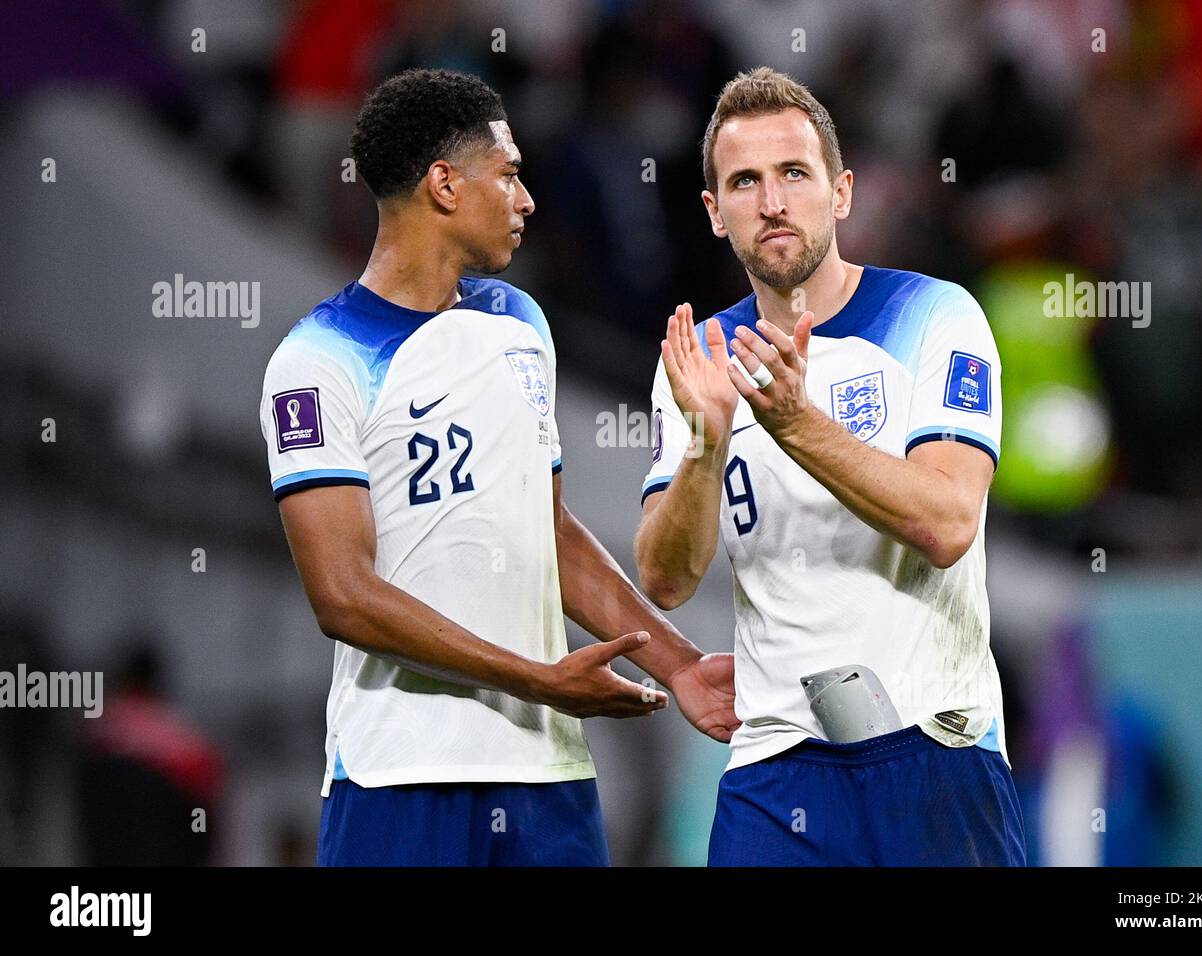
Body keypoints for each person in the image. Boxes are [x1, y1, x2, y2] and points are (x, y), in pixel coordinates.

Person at [259, 68, 737, 867]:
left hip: (546, 780)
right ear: (445, 185)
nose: (528, 200)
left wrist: (679, 663)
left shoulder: (520, 323)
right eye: (509, 174)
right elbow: (343, 595)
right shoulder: (316, 362)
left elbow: (546, 532)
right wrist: (536, 678)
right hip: (399, 776)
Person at [634, 67, 1026, 866]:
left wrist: (793, 422)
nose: (772, 201)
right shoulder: (699, 359)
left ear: (841, 191)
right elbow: (667, 578)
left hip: (936, 748)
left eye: (793, 174)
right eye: (744, 181)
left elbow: (948, 523)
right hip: (775, 769)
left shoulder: (935, 314)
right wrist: (709, 443)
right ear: (714, 212)